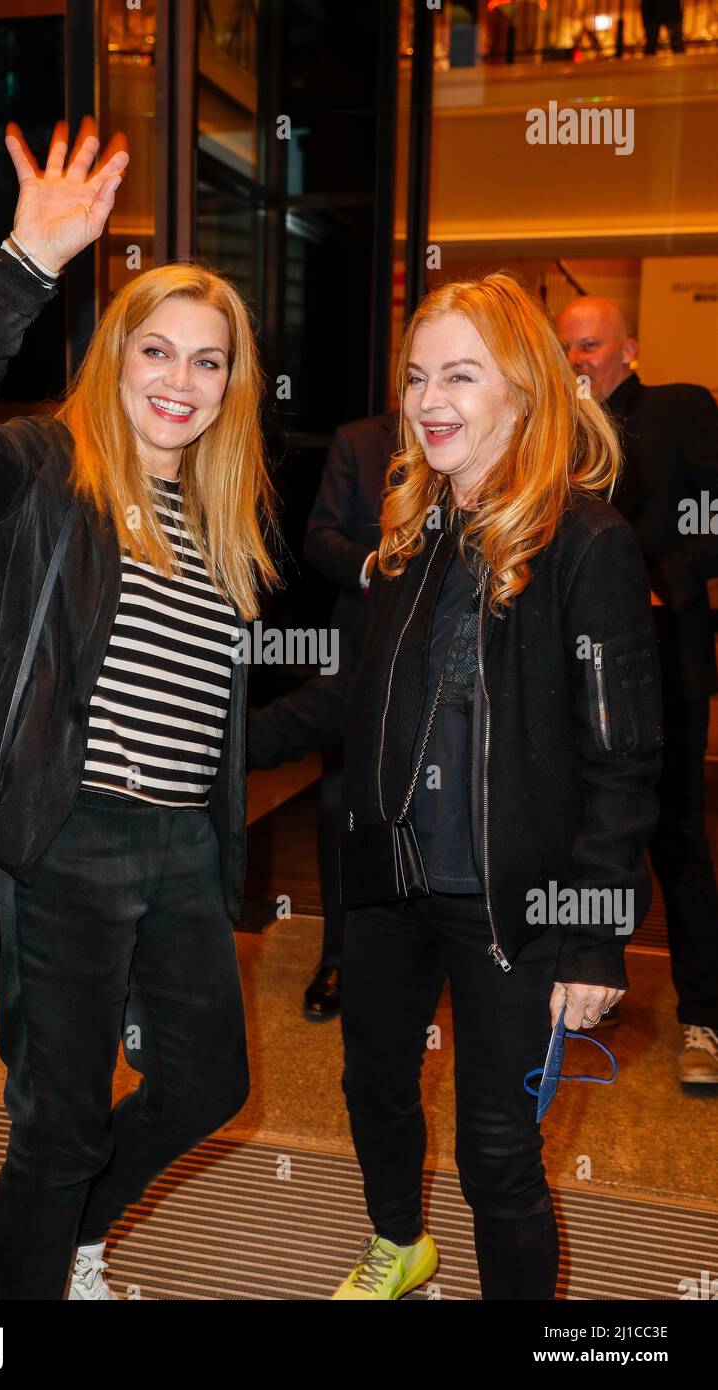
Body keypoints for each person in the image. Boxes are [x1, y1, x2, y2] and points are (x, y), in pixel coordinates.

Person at [0, 117, 280, 1300]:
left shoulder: (228, 522)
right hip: (67, 840)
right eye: (155, 351)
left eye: (206, 360)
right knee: (56, 1119)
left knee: (209, 1082)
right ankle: (39, 1273)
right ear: (116, 360)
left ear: (231, 383)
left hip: (180, 848)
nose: (180, 380)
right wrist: (26, 266)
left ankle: (74, 1227)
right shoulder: (49, 474)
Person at [249, 272, 663, 1300]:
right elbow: (365, 688)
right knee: (370, 1086)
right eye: (417, 375)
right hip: (390, 876)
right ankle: (399, 1241)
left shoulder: (588, 543)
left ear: (522, 390)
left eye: (460, 375)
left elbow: (621, 760)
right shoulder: (417, 532)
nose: (429, 397)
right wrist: (226, 737)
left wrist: (594, 931)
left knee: (496, 1153)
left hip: (512, 903)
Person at [557, 294, 718, 1084]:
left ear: (631, 348)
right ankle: (595, 979)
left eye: (590, 345)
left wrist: (666, 581)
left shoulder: (682, 409)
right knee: (584, 828)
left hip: (666, 661)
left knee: (677, 837)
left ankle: (705, 1018)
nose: (578, 359)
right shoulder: (550, 426)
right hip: (570, 672)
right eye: (568, 348)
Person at [299, 413, 392, 1019]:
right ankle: (337, 955)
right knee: (340, 805)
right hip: (357, 651)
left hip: (456, 660)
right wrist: (376, 568)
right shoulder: (358, 440)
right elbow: (319, 537)